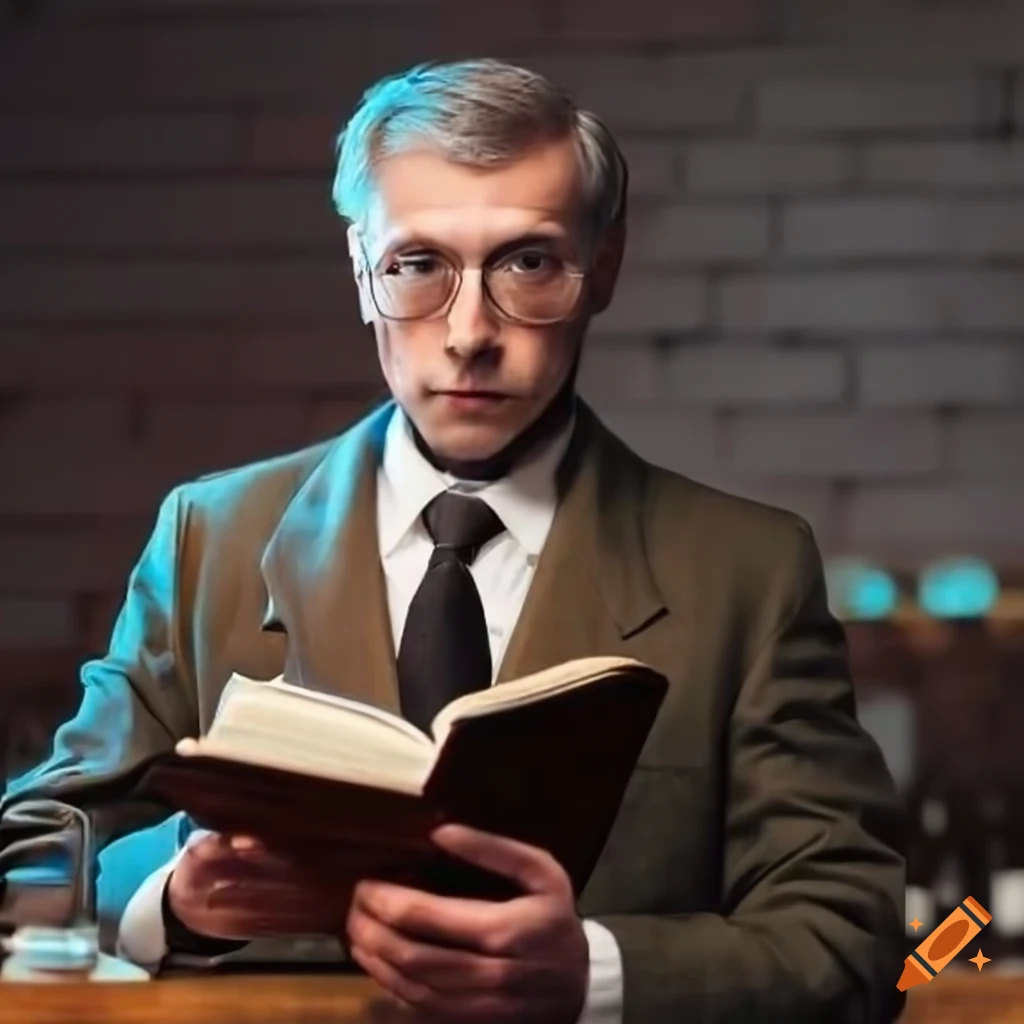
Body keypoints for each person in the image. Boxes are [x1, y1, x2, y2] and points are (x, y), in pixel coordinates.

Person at [0, 59, 906, 1022]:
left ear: (602, 270)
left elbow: (850, 935)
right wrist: (168, 898)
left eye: (528, 263)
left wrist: (593, 973)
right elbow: (33, 851)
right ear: (361, 274)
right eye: (419, 266)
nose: (471, 332)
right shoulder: (210, 536)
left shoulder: (747, 573)